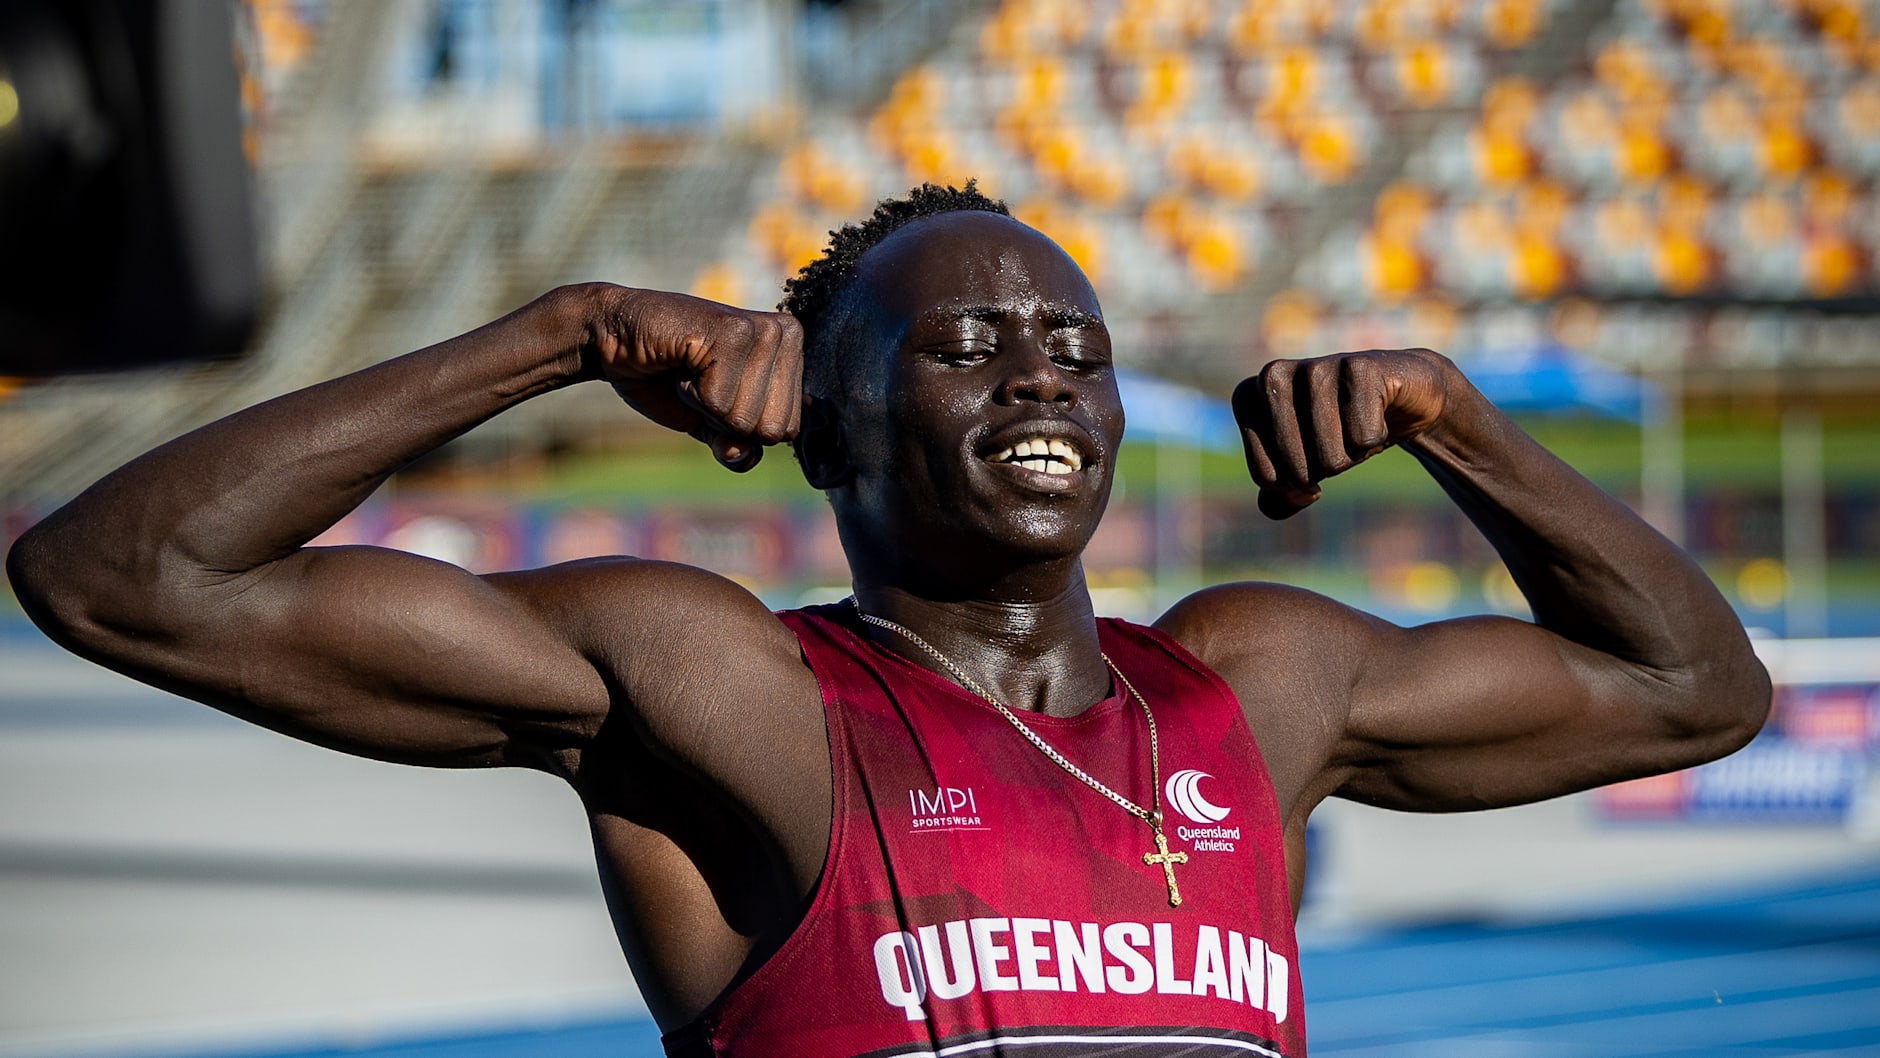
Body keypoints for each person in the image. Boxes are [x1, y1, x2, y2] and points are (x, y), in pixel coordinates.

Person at [6, 183, 1768, 1057]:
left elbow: (1691, 688)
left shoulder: (1257, 685)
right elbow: (123, 576)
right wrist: (558, 335)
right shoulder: (735, 688)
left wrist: (1458, 422)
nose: (1042, 375)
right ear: (825, 424)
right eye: (967, 345)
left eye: (1073, 345)